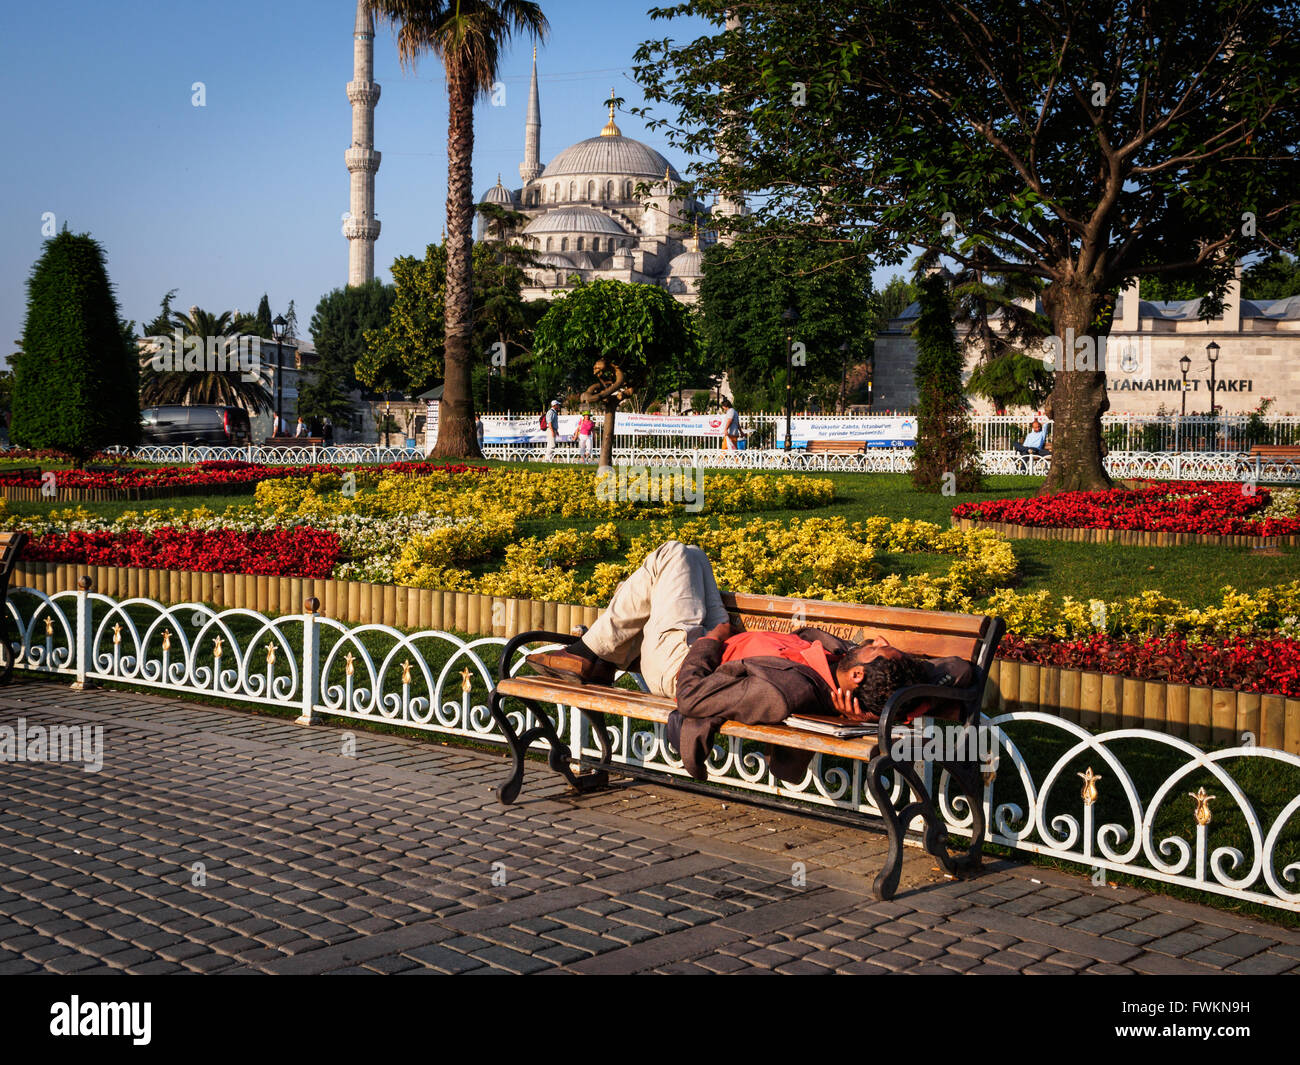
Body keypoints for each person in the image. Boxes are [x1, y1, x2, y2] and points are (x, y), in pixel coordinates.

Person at [526, 541, 967, 782]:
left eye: (878, 648)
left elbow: (694, 696)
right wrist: (885, 700)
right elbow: (963, 672)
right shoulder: (837, 663)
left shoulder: (783, 691)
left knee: (672, 555)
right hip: (723, 638)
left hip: (684, 662)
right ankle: (597, 656)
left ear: (857, 674)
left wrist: (710, 643)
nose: (880, 638)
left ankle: (591, 655)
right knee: (695, 555)